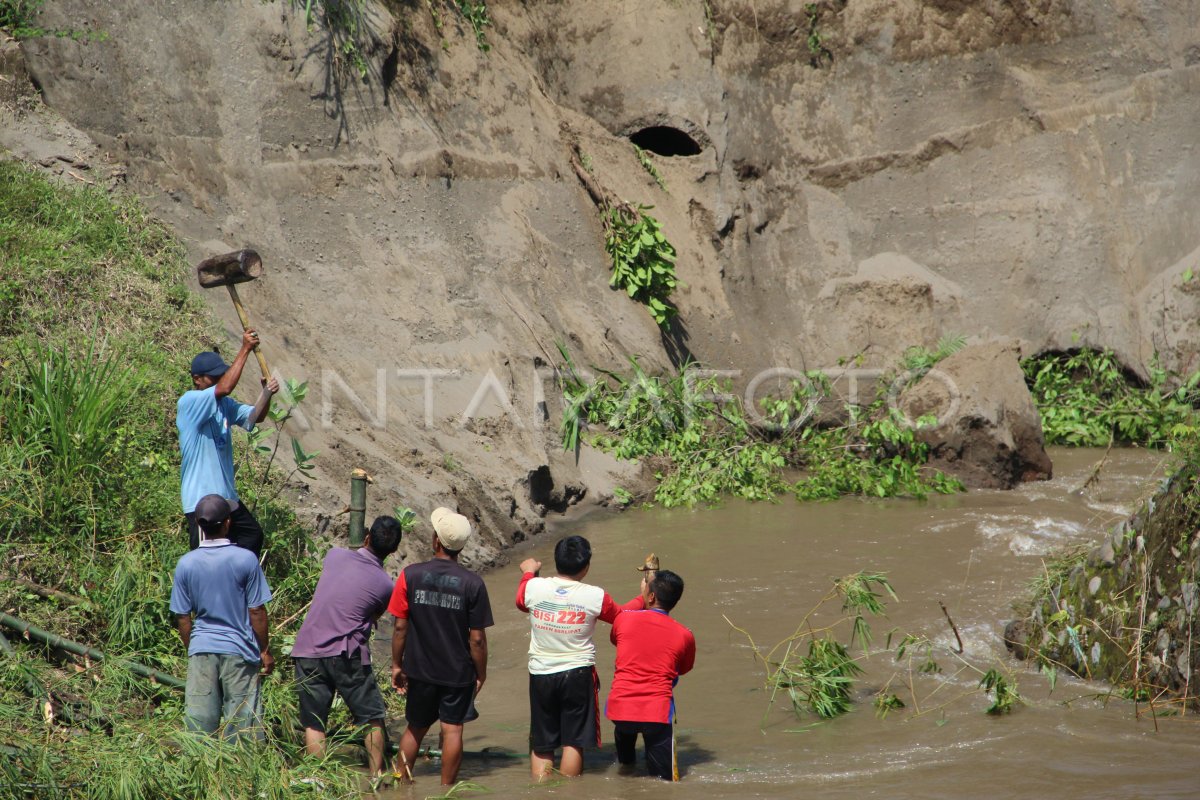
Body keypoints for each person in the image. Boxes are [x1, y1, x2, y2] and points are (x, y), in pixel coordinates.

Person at [515, 535, 644, 780]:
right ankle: (571, 792)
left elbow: (521, 601)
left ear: (556, 561)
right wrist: (644, 597)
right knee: (573, 742)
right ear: (586, 568)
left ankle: (543, 792)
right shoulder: (595, 596)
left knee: (542, 744)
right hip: (578, 674)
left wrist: (529, 572)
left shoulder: (532, 587)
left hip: (541, 673)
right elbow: (622, 616)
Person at [291, 516, 403, 777]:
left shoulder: (334, 556)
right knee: (371, 717)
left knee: (314, 722)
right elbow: (373, 615)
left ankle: (317, 779)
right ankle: (377, 778)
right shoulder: (387, 586)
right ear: (394, 551)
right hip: (346, 654)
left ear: (366, 538)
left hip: (307, 649)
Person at [389, 508, 493, 785]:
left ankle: (400, 783)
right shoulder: (473, 584)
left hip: (420, 668)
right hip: (457, 672)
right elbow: (477, 639)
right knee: (453, 730)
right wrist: (481, 673)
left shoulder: (410, 575)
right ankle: (446, 790)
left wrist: (397, 665)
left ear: (436, 541)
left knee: (415, 728)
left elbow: (400, 626)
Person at [169, 494, 274, 739]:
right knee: (243, 729)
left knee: (199, 729)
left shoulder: (186, 564)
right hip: (239, 651)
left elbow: (183, 617)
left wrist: (193, 647)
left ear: (198, 524)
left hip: (202, 650)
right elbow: (256, 610)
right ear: (228, 523)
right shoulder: (246, 559)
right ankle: (241, 777)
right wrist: (264, 650)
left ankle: (201, 776)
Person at [178, 329, 279, 556]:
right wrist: (245, 348)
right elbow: (225, 387)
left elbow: (254, 418)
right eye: (213, 377)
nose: (219, 380)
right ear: (197, 379)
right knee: (206, 556)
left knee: (251, 535)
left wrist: (266, 394)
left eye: (220, 374)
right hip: (201, 502)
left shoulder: (224, 404)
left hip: (226, 498)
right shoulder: (190, 402)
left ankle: (236, 582)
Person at [606, 570, 695, 781]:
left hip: (621, 710)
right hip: (656, 712)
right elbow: (683, 669)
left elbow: (616, 639)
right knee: (662, 780)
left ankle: (626, 764)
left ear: (651, 596)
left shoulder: (623, 620)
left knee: (626, 768)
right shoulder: (685, 635)